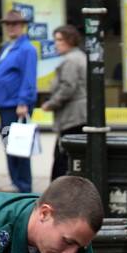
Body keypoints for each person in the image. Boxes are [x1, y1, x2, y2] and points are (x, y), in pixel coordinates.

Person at [0, 9, 38, 193]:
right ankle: (16, 181)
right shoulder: (8, 46)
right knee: (10, 144)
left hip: (15, 105)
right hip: (5, 103)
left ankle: (23, 184)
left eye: (14, 24)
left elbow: (28, 77)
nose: (11, 27)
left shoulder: (26, 49)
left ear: (22, 26)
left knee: (18, 146)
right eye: (8, 24)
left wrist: (23, 102)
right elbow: (0, 73)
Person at [42, 25, 87, 180]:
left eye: (60, 40)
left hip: (72, 117)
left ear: (70, 40)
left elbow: (68, 87)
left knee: (63, 159)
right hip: (77, 116)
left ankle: (58, 195)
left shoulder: (71, 60)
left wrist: (51, 103)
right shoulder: (78, 57)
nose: (56, 44)